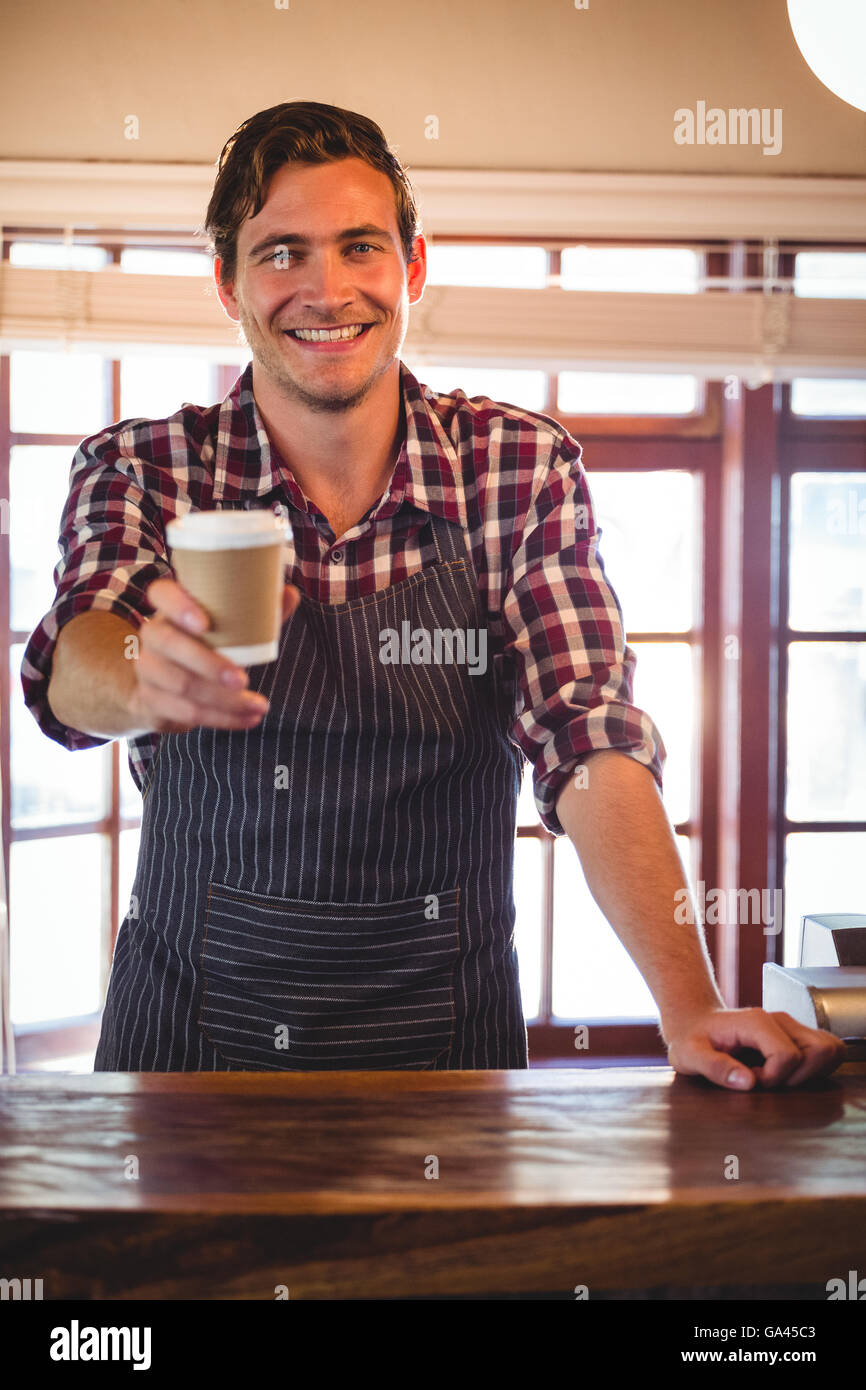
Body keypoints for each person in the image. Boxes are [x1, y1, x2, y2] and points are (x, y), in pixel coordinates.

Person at [22, 100, 844, 1087]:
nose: (325, 289)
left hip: (447, 1068)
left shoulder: (515, 467)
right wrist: (138, 674)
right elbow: (76, 658)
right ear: (226, 285)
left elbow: (590, 741)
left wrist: (688, 1006)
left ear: (410, 269)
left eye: (358, 246)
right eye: (281, 252)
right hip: (184, 1063)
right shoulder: (145, 468)